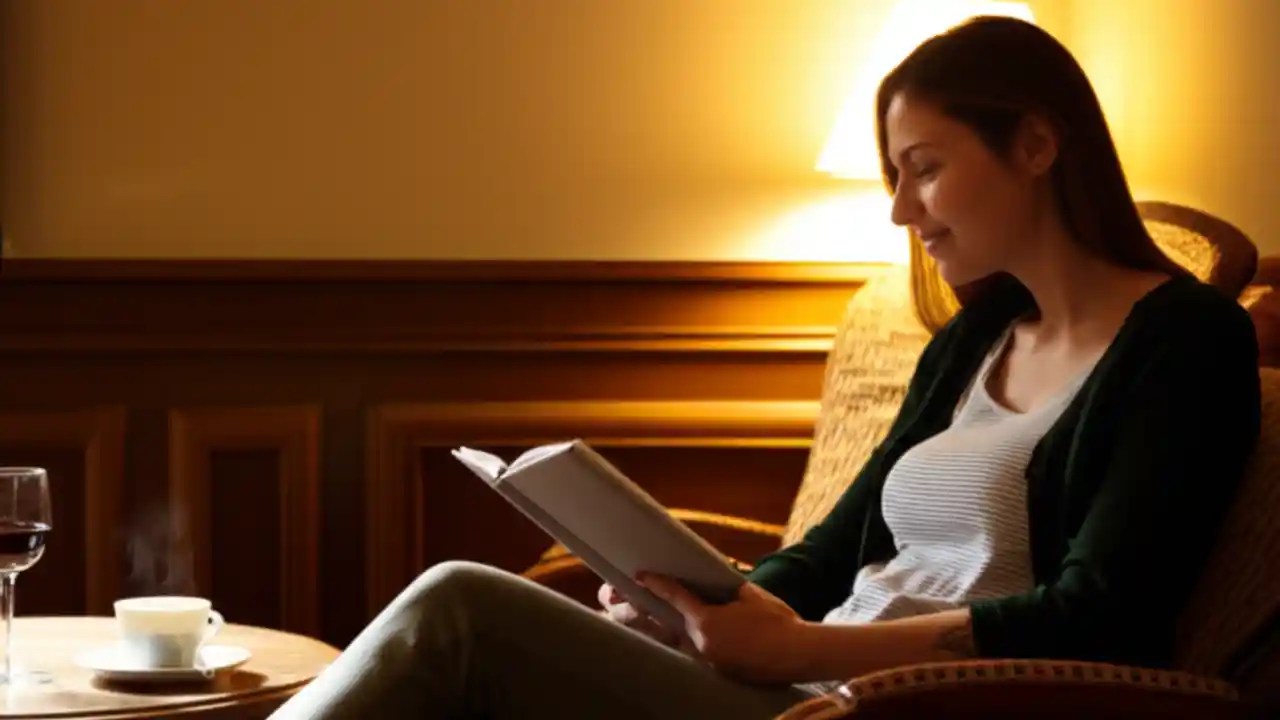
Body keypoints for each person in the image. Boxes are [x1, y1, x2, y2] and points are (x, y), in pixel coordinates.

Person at [270, 16, 1261, 719]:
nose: (901, 211)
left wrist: (796, 649)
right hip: (792, 682)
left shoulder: (1182, 342)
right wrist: (704, 604)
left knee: (460, 608)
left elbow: (1101, 617)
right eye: (893, 177)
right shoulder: (977, 336)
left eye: (922, 167)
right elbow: (828, 554)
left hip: (883, 706)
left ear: (1037, 143)